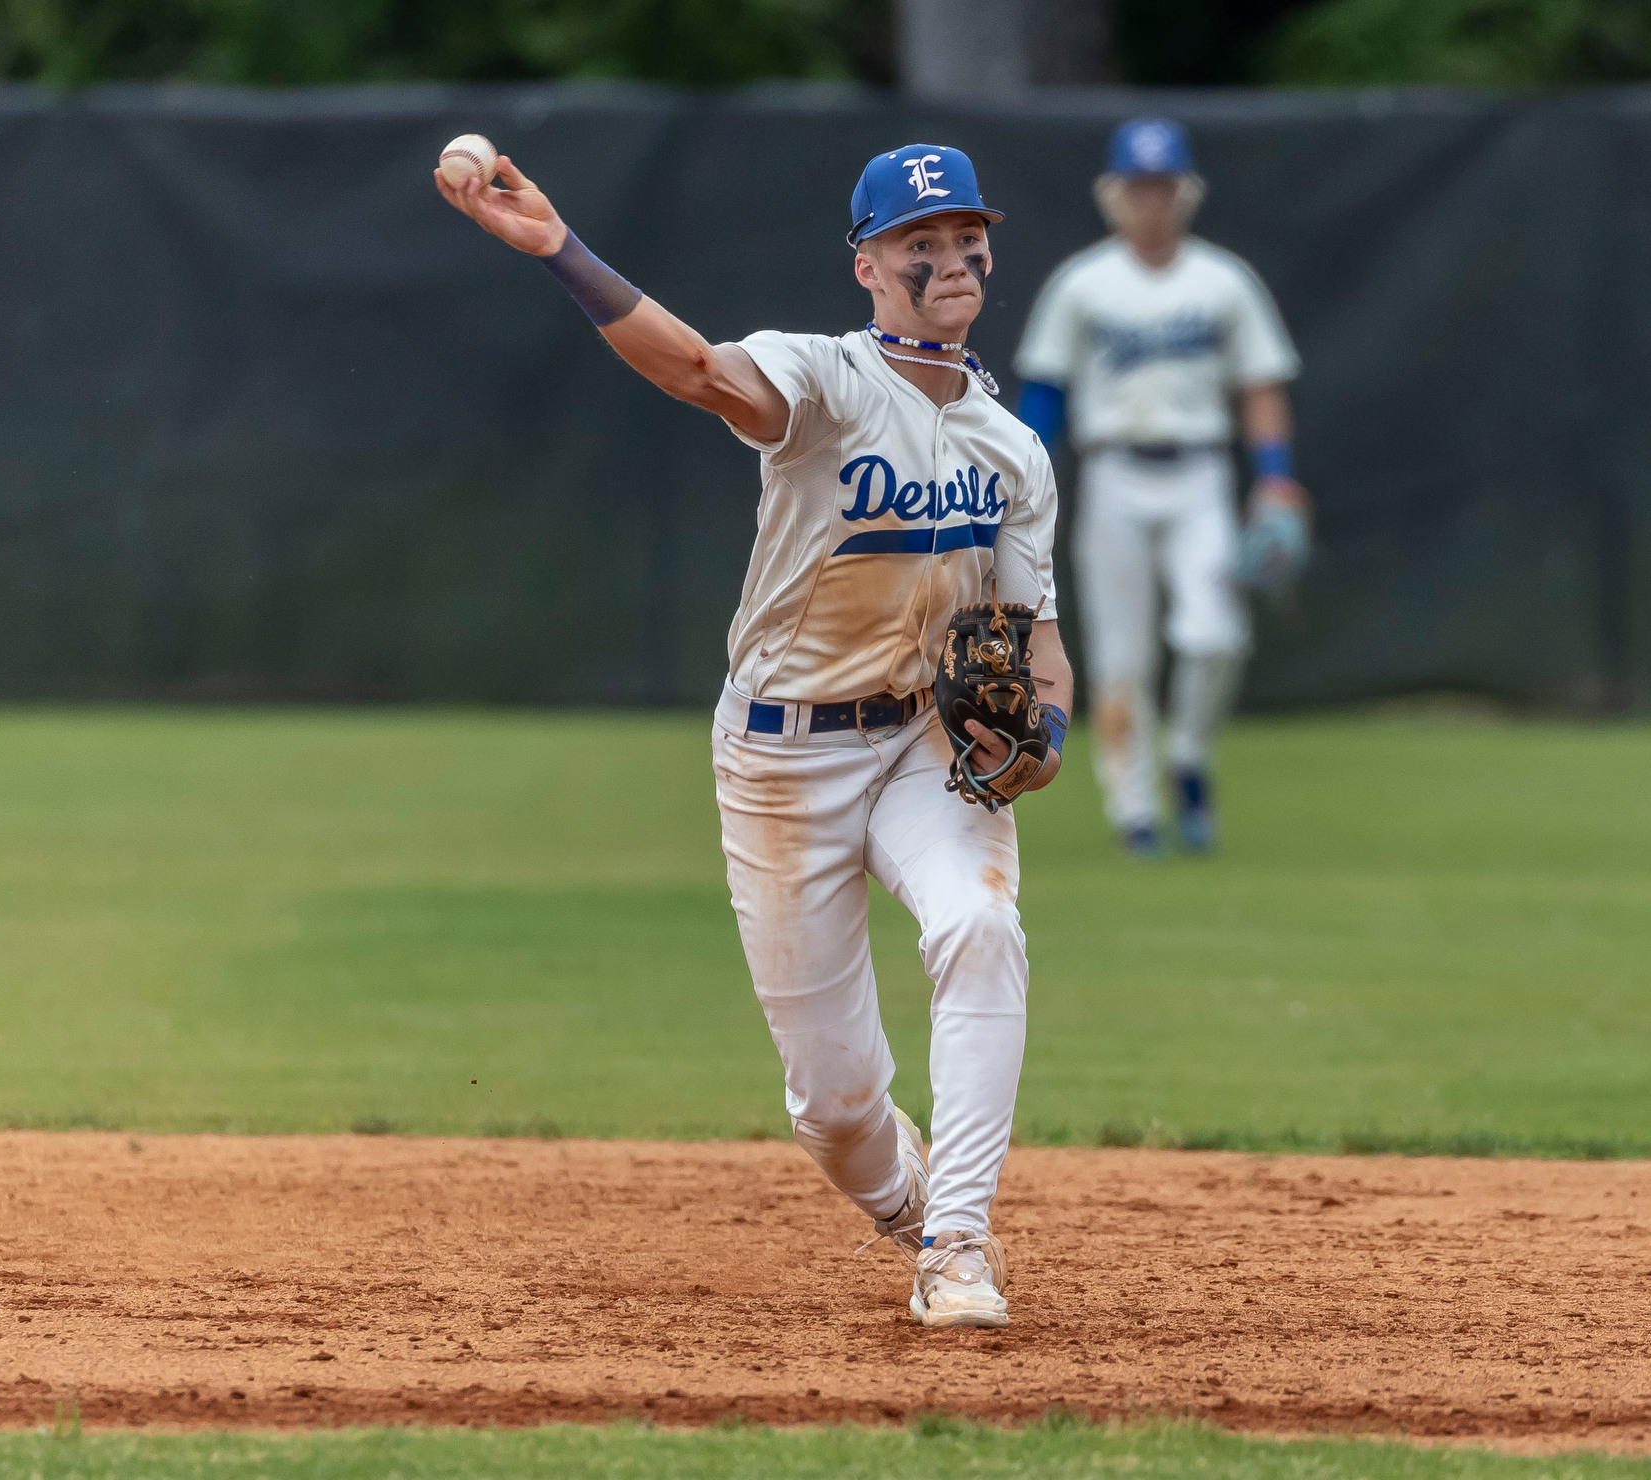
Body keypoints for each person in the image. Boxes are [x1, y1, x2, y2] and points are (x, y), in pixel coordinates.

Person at [437, 142, 1069, 1330]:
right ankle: (905, 1203)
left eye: (963, 236)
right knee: (834, 1110)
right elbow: (693, 370)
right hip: (783, 755)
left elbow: (1034, 638)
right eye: (916, 241)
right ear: (868, 265)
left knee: (981, 926)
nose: (947, 257)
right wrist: (557, 249)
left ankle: (958, 1242)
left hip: (924, 749)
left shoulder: (1012, 448)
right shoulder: (821, 378)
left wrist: (1053, 724)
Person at [1014, 117, 1303, 857]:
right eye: (1139, 187)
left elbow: (1261, 384)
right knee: (1121, 658)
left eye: (1163, 186)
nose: (1151, 200)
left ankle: (1189, 759)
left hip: (1200, 472)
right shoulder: (1084, 282)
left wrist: (1273, 482)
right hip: (1114, 472)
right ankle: (1134, 809)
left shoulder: (1223, 280)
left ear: (1186, 192)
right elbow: (1044, 390)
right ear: (1113, 195)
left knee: (1215, 637)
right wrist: (1028, 486)